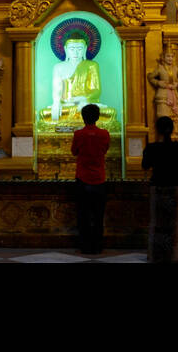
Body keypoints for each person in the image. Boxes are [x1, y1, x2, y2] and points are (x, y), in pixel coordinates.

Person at [142, 115, 178, 263]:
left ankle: (155, 255)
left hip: (158, 186)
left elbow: (145, 166)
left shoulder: (151, 147)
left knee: (157, 223)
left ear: (156, 130)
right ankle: (173, 255)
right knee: (175, 223)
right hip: (175, 185)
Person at [71, 103, 111, 255]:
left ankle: (85, 246)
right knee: (98, 215)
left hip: (82, 178)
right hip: (99, 178)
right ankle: (97, 245)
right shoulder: (104, 134)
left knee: (83, 215)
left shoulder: (78, 134)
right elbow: (105, 150)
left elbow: (74, 151)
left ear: (82, 117)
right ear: (98, 117)